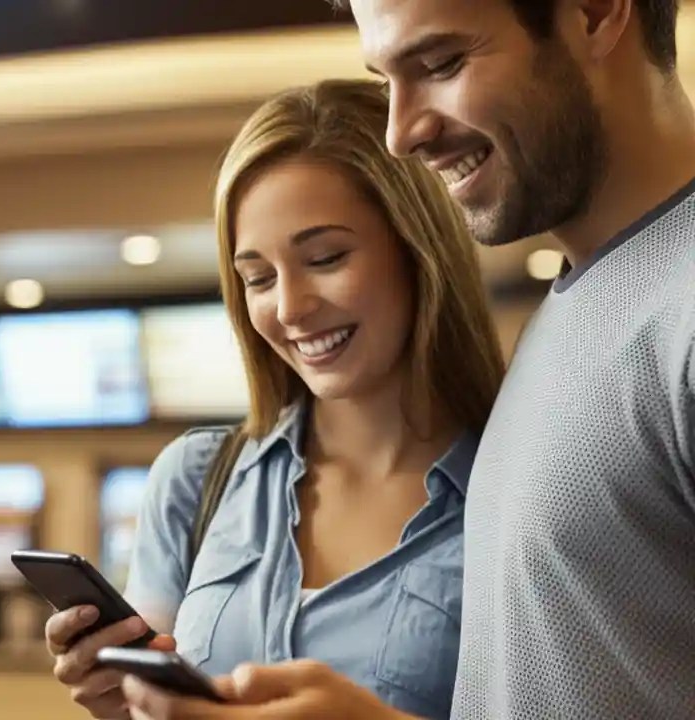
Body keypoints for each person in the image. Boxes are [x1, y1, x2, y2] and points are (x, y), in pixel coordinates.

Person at [121, 1, 695, 718]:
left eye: (441, 64)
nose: (401, 133)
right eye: (387, 79)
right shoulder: (572, 316)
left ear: (596, 11)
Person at [44, 78, 506, 720]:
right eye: (258, 278)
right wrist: (118, 699)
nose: (290, 309)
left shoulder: (515, 493)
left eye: (325, 258)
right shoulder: (196, 481)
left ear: (417, 251)